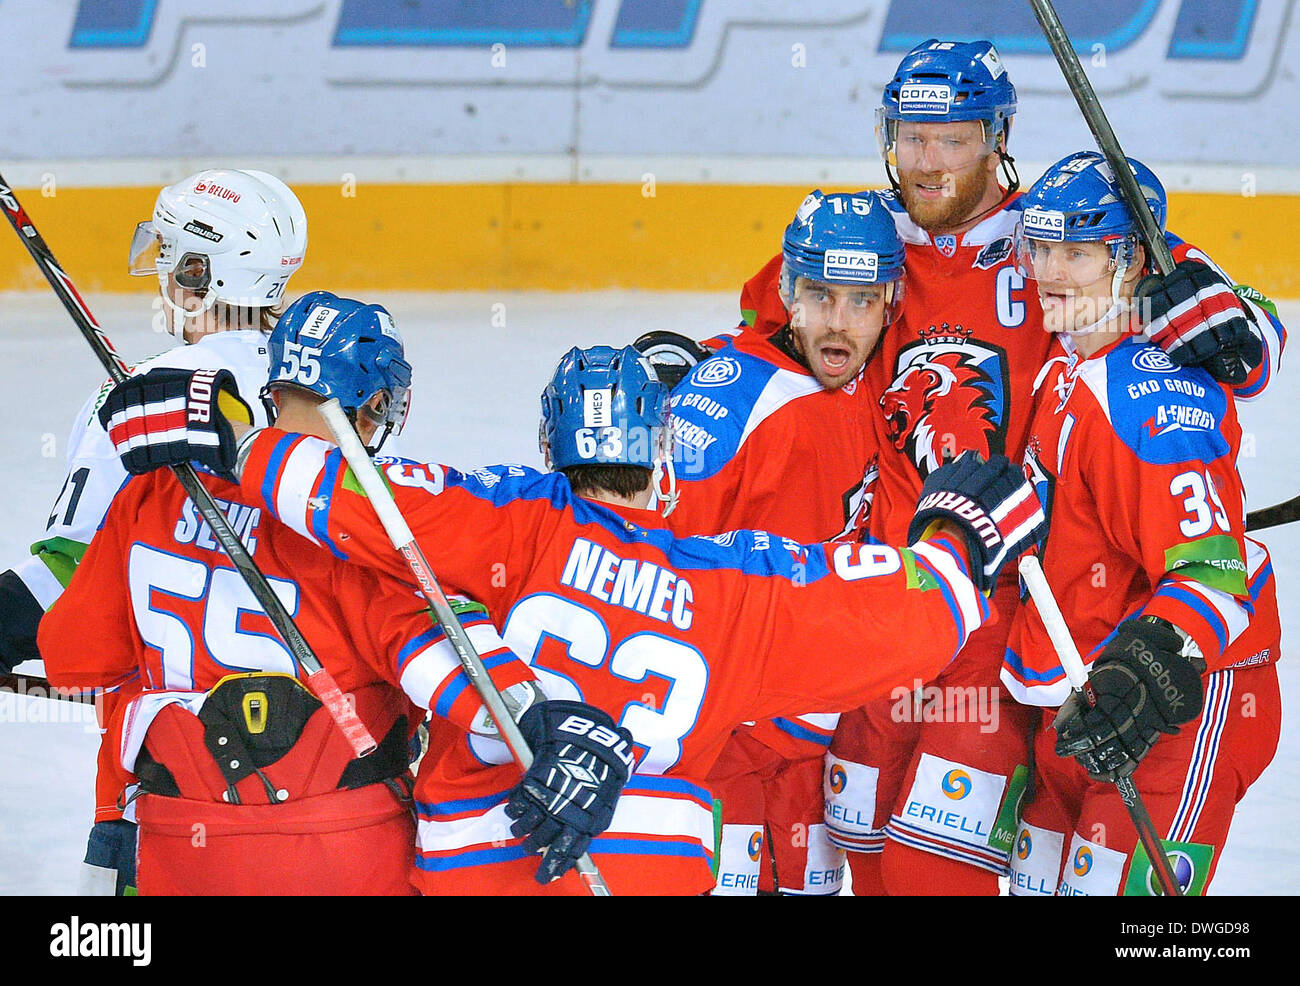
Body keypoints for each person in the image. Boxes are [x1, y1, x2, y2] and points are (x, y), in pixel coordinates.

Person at [98, 342, 1047, 894]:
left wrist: (229, 438)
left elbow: (359, 500)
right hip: (647, 870)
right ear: (663, 458)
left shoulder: (506, 517)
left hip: (475, 861)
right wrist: (958, 545)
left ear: (550, 446)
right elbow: (907, 620)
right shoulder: (742, 583)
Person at [728, 39, 1286, 896]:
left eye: (951, 137)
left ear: (997, 136)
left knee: (940, 869)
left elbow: (1222, 334)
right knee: (864, 848)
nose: (926, 161)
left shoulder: (1055, 239)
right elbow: (774, 339)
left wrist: (1240, 325)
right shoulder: (863, 244)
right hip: (885, 611)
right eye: (910, 137)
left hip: (1010, 625)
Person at [38, 291, 565, 894]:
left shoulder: (150, 495)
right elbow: (452, 680)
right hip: (345, 843)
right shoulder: (360, 531)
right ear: (373, 407)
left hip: (183, 844)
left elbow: (73, 658)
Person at [0, 168, 308, 894]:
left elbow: (65, 581)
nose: (163, 269)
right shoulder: (324, 392)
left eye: (172, 254)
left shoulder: (132, 404)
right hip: (327, 777)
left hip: (169, 783)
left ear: (199, 273)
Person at [1004, 152, 1280, 896]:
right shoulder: (1066, 364)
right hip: (1086, 699)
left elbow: (1216, 576)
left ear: (1129, 261)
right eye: (1042, 248)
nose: (1052, 272)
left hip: (1174, 710)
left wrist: (1144, 672)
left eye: (1079, 252)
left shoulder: (1148, 402)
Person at [665, 189, 904, 895]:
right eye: (818, 295)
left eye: (861, 301)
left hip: (814, 737)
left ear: (892, 302)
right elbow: (647, 558)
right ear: (786, 291)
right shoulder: (732, 408)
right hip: (723, 740)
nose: (838, 322)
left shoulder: (880, 377)